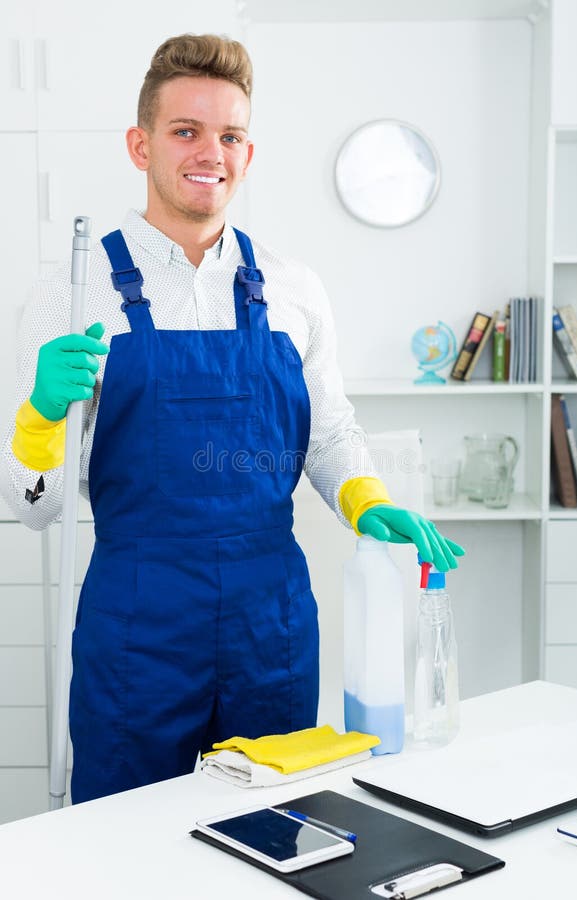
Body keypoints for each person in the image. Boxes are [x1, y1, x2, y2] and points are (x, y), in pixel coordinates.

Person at [0, 33, 464, 803]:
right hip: (138, 622)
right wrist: (42, 415)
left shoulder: (293, 287)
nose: (209, 151)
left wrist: (369, 503)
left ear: (248, 152)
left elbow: (331, 432)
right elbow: (30, 507)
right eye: (186, 130)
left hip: (269, 621)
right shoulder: (70, 296)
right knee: (126, 847)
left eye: (230, 135)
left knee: (281, 830)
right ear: (139, 143)